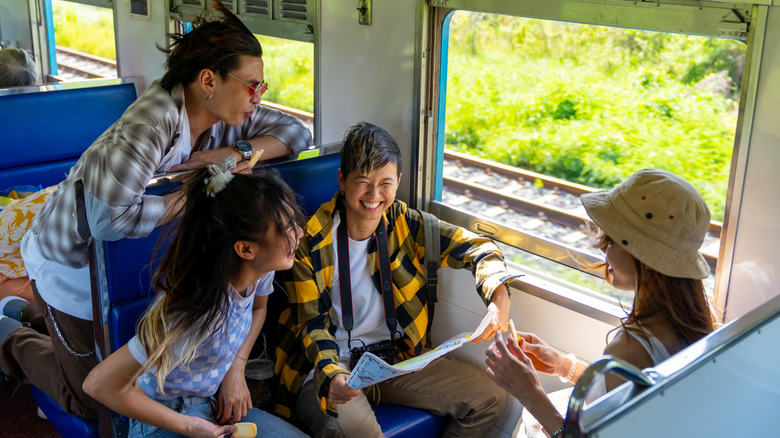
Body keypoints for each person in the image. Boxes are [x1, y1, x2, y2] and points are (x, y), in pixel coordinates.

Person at [0, 0, 311, 420]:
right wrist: (194, 192)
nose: (260, 97)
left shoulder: (227, 116)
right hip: (70, 260)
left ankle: (31, 315)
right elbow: (110, 220)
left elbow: (297, 131)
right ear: (209, 80)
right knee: (93, 403)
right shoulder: (151, 122)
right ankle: (11, 336)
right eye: (253, 85)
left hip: (132, 260)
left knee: (126, 373)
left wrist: (232, 153)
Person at [274, 122, 518, 438]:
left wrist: (499, 297)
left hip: (396, 362)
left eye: (385, 183)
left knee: (490, 397)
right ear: (342, 181)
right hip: (333, 369)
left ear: (398, 181)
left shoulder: (409, 225)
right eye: (362, 182)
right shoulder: (310, 241)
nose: (374, 195)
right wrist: (332, 375)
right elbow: (312, 325)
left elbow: (477, 247)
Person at [485, 169, 716, 438]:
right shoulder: (696, 320)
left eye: (610, 241)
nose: (602, 250)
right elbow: (624, 393)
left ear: (645, 258)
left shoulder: (631, 349)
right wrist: (562, 365)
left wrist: (530, 393)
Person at [83, 160, 307, 438]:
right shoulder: (193, 309)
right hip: (162, 415)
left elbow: (259, 308)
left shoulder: (259, 271)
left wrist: (235, 369)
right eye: (286, 229)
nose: (300, 233)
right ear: (246, 248)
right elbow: (99, 384)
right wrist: (190, 426)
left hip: (210, 401)